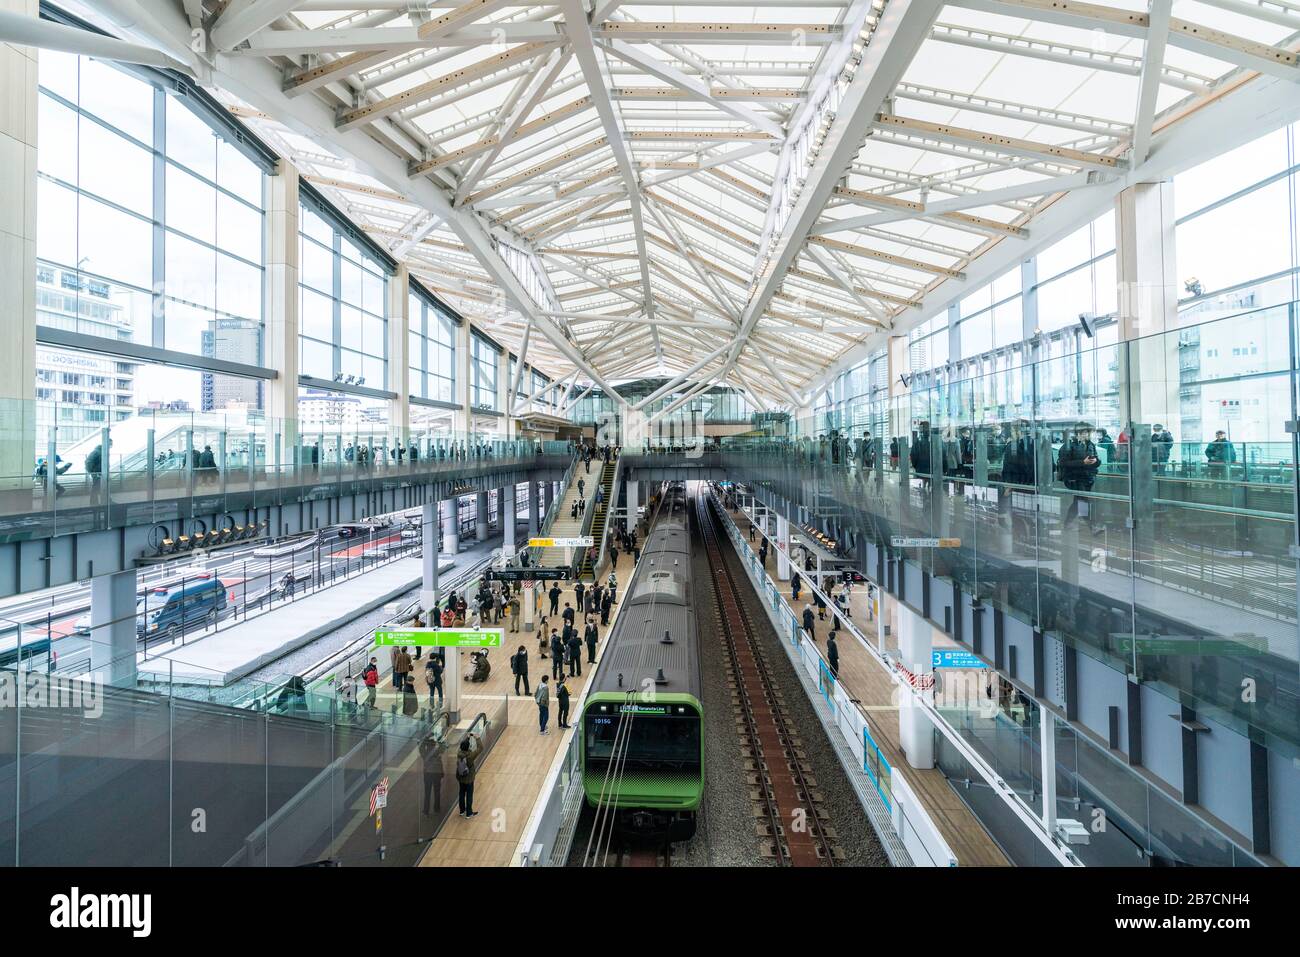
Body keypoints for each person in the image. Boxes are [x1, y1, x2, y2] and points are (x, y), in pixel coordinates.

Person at [1058, 423, 1100, 526]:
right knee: (1083, 500)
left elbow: (1097, 461)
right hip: (1075, 478)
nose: (1088, 435)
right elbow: (1063, 463)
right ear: (1079, 433)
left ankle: (1068, 523)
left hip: (1087, 477)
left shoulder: (1090, 445)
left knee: (1078, 502)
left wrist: (1096, 461)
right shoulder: (1069, 445)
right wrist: (1083, 462)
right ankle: (1092, 526)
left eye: (1089, 433)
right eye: (1086, 432)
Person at [455, 733, 482, 818]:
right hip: (469, 778)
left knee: (461, 793)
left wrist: (467, 737)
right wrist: (477, 738)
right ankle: (469, 813)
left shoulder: (459, 753)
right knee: (469, 795)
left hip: (460, 777)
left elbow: (464, 745)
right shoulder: (470, 756)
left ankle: (462, 810)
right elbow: (480, 748)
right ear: (468, 747)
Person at [420, 733, 444, 816]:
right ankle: (436, 809)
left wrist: (426, 737)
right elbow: (443, 747)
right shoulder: (437, 752)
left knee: (427, 793)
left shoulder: (425, 754)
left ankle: (426, 811)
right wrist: (439, 740)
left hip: (428, 774)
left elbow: (421, 747)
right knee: (437, 792)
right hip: (437, 774)